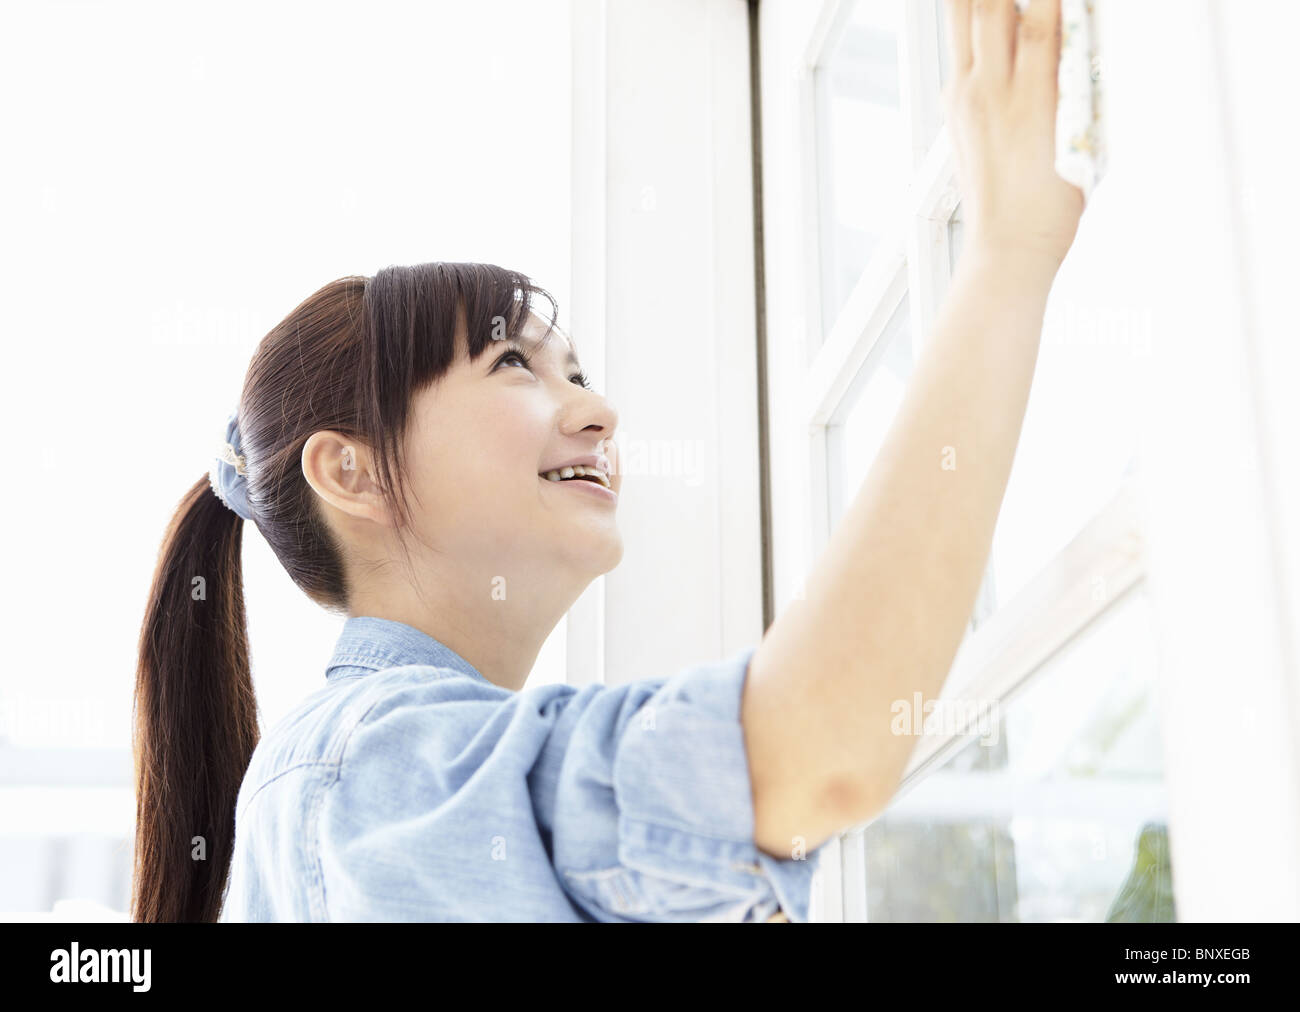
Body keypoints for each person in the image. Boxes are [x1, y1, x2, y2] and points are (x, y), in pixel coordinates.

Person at [131, 0, 1083, 922]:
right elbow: (817, 752)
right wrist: (1007, 249)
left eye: (577, 370)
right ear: (353, 472)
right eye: (514, 362)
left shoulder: (420, 774)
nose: (597, 409)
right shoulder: (372, 771)